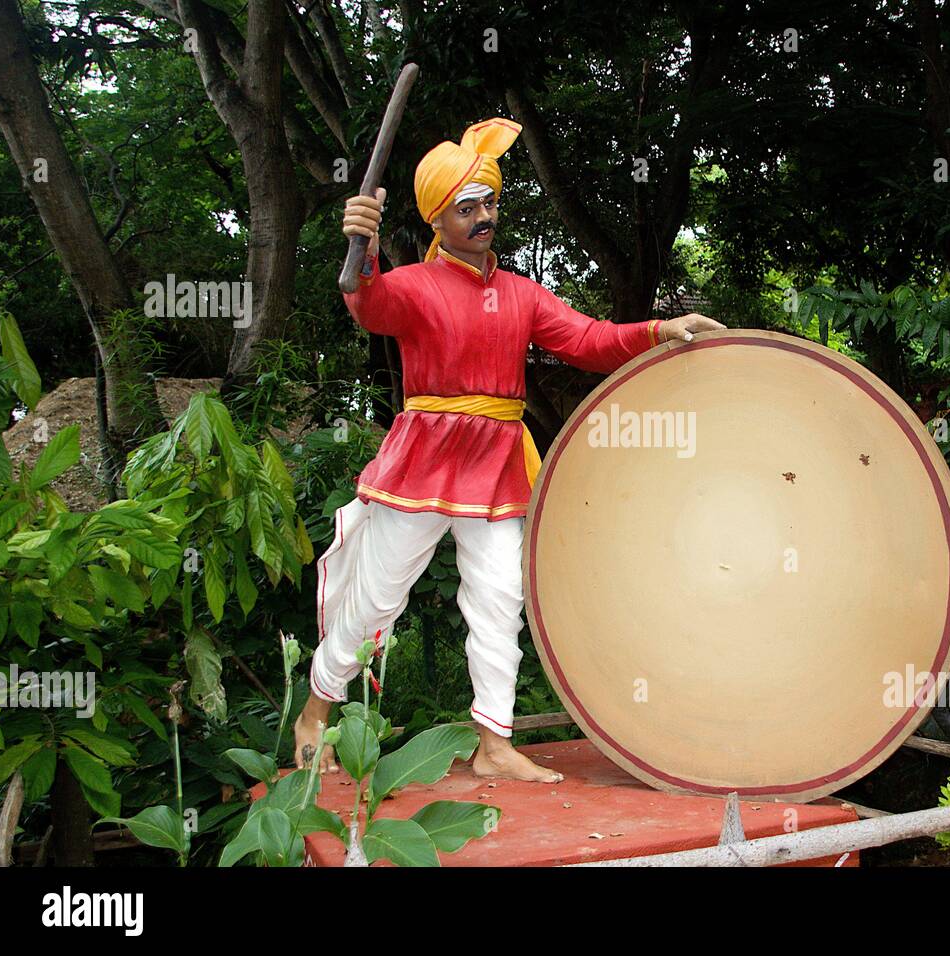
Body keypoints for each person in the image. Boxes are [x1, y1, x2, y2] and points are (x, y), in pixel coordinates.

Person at [292, 117, 724, 783]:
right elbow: (367, 302)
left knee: (500, 600)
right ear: (438, 218)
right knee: (378, 597)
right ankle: (316, 711)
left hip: (496, 465)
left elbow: (587, 340)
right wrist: (362, 249)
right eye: (468, 207)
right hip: (425, 459)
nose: (484, 216)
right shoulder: (411, 285)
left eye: (490, 202)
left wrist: (662, 328)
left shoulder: (521, 294)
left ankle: (494, 743)